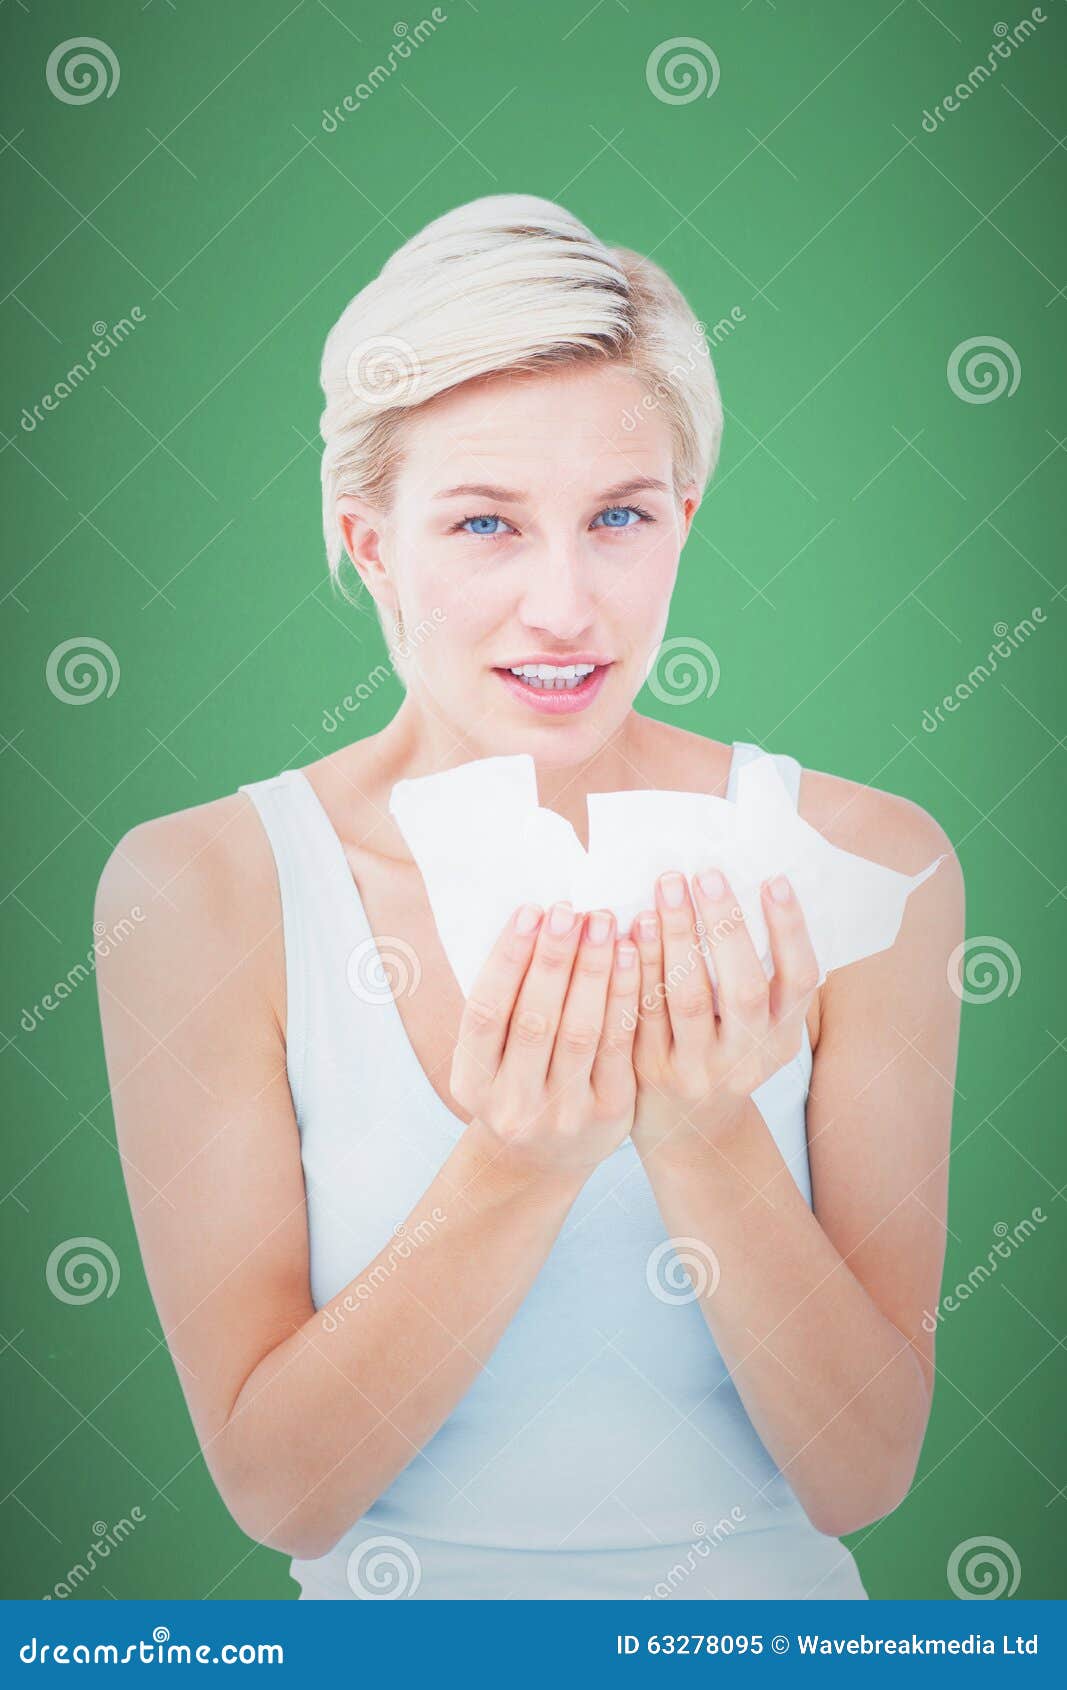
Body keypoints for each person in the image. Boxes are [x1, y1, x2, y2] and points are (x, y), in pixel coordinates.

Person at [95, 193, 964, 1601]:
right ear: (370, 540)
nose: (565, 606)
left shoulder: (867, 866)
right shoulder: (205, 887)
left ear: (683, 517)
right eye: (486, 522)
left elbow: (862, 1473)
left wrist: (703, 1135)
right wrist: (522, 1161)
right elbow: (280, 1491)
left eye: (617, 515)